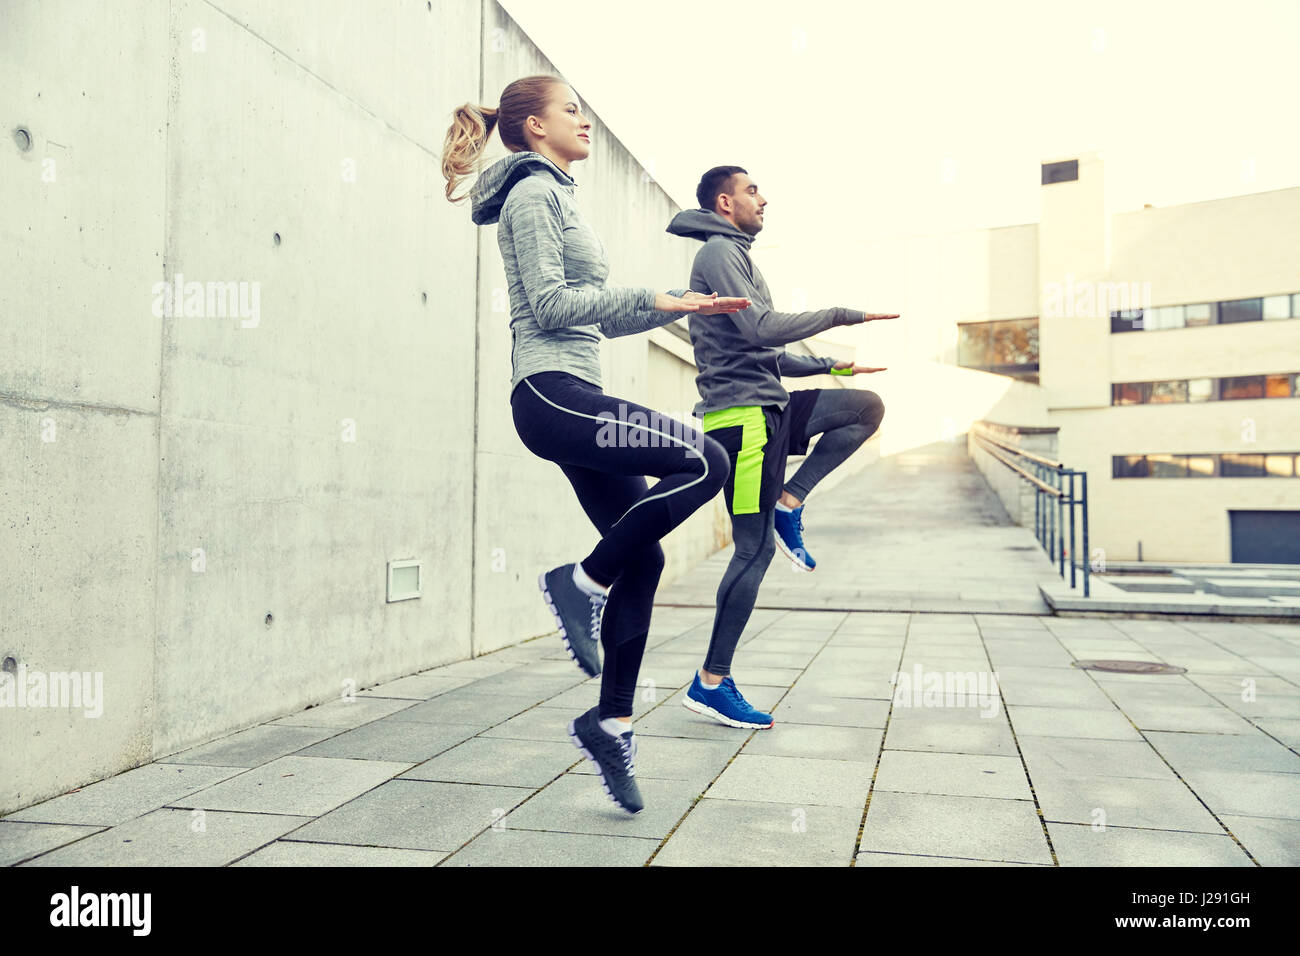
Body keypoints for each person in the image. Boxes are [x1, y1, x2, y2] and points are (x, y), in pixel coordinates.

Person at [441, 77, 747, 813]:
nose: (584, 120)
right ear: (536, 127)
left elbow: (593, 320)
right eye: (571, 110)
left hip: (572, 387)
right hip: (551, 394)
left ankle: (609, 722)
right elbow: (547, 307)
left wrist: (670, 306)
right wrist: (656, 297)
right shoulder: (532, 196)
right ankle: (576, 584)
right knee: (707, 458)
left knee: (644, 557)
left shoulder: (557, 193)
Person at [665, 165, 896, 729]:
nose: (763, 199)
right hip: (741, 423)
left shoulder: (737, 255)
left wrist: (832, 363)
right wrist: (842, 315)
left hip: (767, 409)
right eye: (751, 191)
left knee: (864, 407)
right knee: (753, 551)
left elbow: (766, 354)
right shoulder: (719, 252)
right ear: (725, 201)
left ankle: (792, 502)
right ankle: (711, 683)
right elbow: (763, 330)